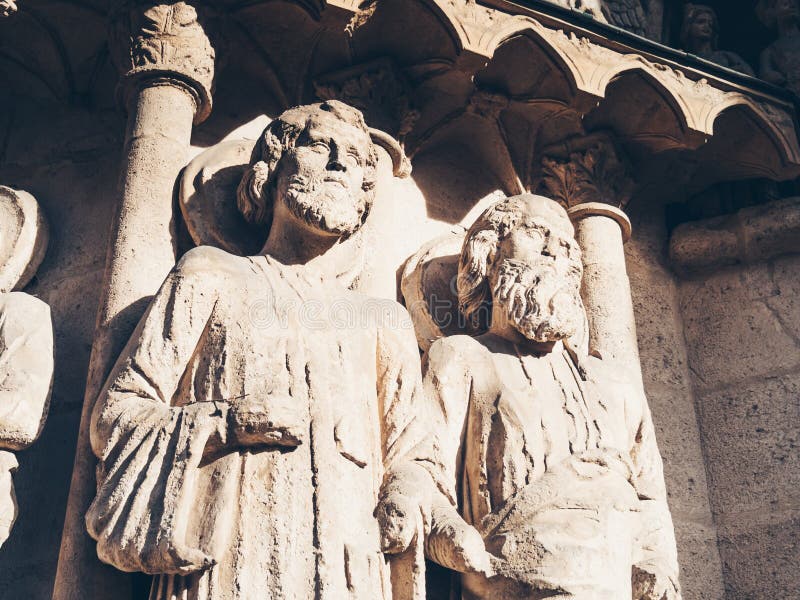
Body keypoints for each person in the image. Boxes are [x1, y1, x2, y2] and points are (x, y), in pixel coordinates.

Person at [85, 101, 474, 600]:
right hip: (232, 557)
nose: (338, 164)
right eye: (319, 147)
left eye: (355, 160)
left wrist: (406, 494)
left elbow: (413, 455)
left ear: (363, 198)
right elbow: (115, 416)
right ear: (271, 169)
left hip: (347, 565)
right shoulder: (209, 275)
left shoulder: (382, 320)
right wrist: (228, 423)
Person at [422, 194, 681, 599]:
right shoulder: (462, 357)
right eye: (535, 233)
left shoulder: (615, 385)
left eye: (566, 243)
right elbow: (425, 473)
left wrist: (657, 564)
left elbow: (649, 500)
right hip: (512, 580)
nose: (554, 250)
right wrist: (450, 535)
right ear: (488, 255)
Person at [681, 4, 754, 75]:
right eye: (701, 22)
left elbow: (751, 78)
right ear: (688, 27)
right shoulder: (683, 56)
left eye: (710, 24)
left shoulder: (727, 57)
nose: (707, 26)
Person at [758, 0, 800, 96]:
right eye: (785, 4)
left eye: (794, 4)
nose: (792, 6)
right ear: (772, 11)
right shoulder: (769, 52)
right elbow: (766, 76)